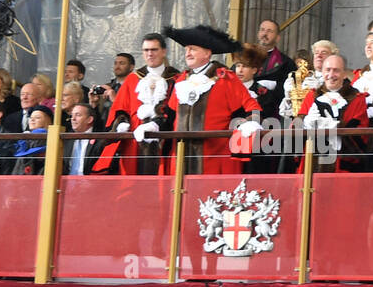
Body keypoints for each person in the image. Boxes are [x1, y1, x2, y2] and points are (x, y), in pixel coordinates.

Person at [164, 24, 262, 173]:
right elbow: (169, 116)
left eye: (193, 49)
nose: (188, 53)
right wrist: (154, 125)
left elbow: (252, 108)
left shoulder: (226, 78)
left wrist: (249, 124)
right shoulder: (181, 80)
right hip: (180, 161)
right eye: (186, 49)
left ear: (207, 53)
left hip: (215, 161)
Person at [107, 32, 181, 175]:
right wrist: (121, 123)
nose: (150, 54)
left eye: (154, 50)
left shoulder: (176, 79)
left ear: (164, 52)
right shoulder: (133, 79)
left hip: (164, 142)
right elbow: (120, 108)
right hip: (134, 142)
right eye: (146, 50)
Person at [296, 53, 372, 173]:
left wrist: (336, 126)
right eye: (327, 70)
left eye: (336, 70)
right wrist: (306, 123)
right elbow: (297, 127)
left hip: (342, 164)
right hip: (312, 162)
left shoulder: (356, 98)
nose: (331, 75)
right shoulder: (312, 95)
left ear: (344, 73)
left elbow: (360, 134)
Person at [255, 18, 295, 118]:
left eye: (269, 31)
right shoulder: (245, 57)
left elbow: (292, 89)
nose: (265, 33)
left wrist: (274, 85)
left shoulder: (286, 62)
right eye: (262, 30)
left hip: (272, 113)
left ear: (277, 38)